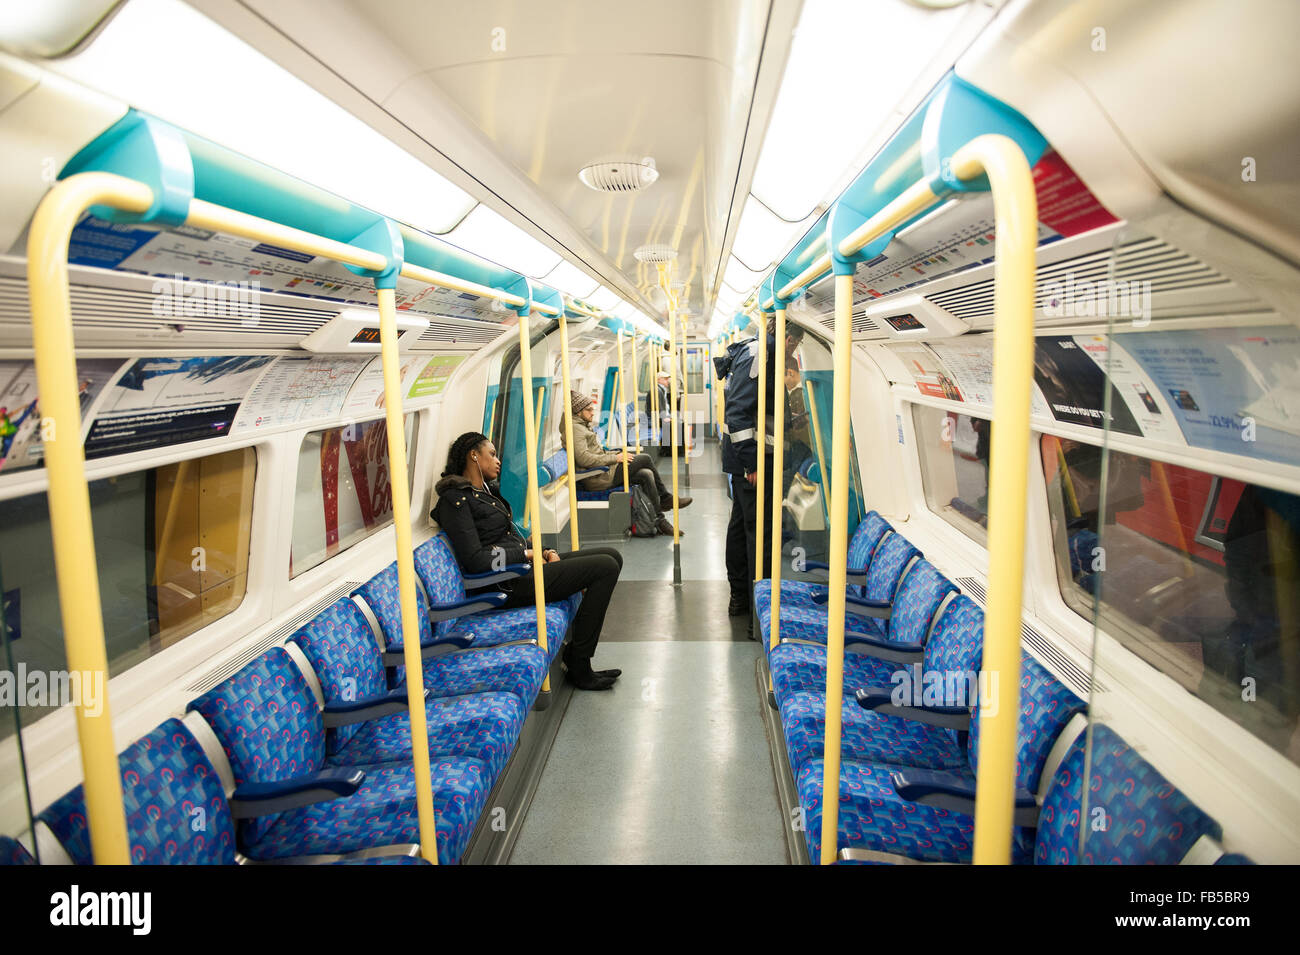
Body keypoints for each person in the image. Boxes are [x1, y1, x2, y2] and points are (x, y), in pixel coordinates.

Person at [432, 431, 623, 690]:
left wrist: (544, 551)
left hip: (522, 569)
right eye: (492, 454)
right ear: (473, 455)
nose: (498, 460)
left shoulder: (486, 492)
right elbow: (477, 560)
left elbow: (512, 535)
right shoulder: (456, 501)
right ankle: (579, 662)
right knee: (605, 568)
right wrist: (528, 555)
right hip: (505, 583)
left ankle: (577, 652)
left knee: (613, 555)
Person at [716, 322, 804, 617]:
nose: (794, 352)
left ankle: (743, 597)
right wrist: (751, 462)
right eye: (795, 346)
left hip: (753, 458)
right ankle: (760, 602)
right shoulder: (758, 355)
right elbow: (738, 413)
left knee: (743, 527)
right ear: (788, 339)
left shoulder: (760, 351)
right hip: (754, 462)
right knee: (759, 531)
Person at [563, 390, 689, 536]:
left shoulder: (582, 425)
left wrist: (615, 454)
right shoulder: (575, 429)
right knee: (645, 459)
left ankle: (660, 521)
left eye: (593, 409)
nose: (592, 413)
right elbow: (585, 459)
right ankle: (666, 499)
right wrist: (615, 458)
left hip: (605, 471)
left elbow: (596, 453)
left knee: (646, 474)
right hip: (599, 477)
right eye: (589, 409)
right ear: (578, 412)